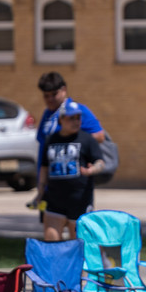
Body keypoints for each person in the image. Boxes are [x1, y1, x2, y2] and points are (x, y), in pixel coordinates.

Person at [32, 72, 107, 210]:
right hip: (50, 186)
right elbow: (43, 146)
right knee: (50, 222)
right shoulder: (47, 114)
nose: (50, 99)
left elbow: (100, 136)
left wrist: (70, 140)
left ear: (64, 90)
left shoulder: (77, 111)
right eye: (46, 96)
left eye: (54, 94)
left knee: (76, 222)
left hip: (75, 187)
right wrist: (40, 189)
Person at [36, 100, 104, 241]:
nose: (76, 121)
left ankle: (99, 256)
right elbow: (44, 168)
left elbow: (100, 162)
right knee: (51, 241)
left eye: (78, 118)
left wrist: (92, 170)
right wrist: (40, 192)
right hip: (54, 199)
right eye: (71, 118)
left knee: (79, 244)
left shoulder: (87, 139)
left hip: (80, 200)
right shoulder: (51, 140)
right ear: (61, 119)